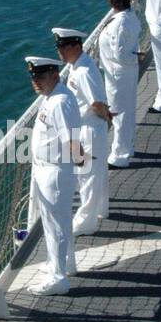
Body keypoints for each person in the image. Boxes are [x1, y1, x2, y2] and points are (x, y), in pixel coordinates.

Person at [26, 55, 82, 295]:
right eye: (34, 77)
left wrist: (79, 163)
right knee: (56, 223)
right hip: (47, 168)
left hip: (54, 170)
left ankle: (58, 279)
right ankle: (64, 264)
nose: (36, 81)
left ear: (55, 75)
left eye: (40, 76)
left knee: (55, 225)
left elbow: (72, 139)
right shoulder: (51, 97)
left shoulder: (60, 102)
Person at [52, 27, 111, 236]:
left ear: (76, 46)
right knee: (97, 172)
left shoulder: (83, 71)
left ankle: (86, 222)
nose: (59, 51)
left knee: (87, 175)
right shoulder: (78, 66)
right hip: (88, 126)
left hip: (89, 128)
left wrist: (107, 118)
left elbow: (96, 102)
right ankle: (102, 208)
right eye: (58, 46)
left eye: (63, 47)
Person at [98, 0, 140, 168]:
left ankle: (120, 155)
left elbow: (121, 55)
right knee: (127, 111)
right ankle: (127, 147)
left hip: (118, 75)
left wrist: (135, 59)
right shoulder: (128, 16)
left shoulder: (120, 23)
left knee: (118, 113)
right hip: (123, 73)